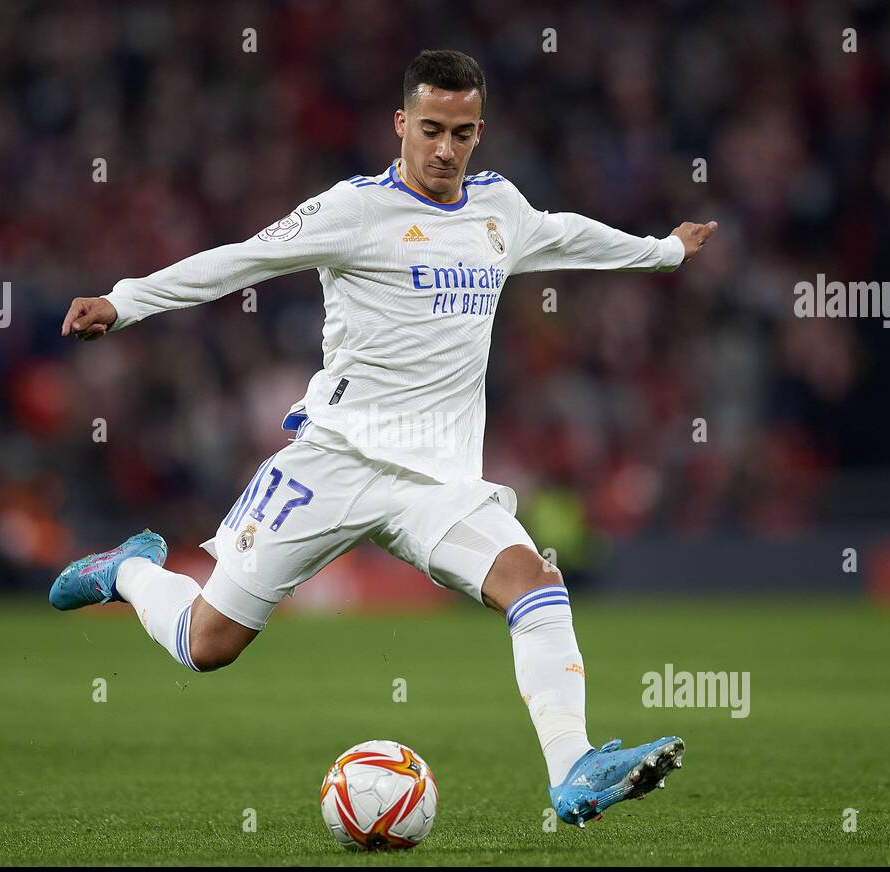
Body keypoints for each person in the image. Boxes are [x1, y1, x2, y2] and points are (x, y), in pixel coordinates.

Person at [49, 49, 717, 828]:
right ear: (401, 123)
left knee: (534, 582)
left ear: (479, 133)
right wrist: (124, 302)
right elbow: (242, 261)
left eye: (461, 134)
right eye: (430, 128)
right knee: (208, 642)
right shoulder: (353, 211)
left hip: (438, 484)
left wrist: (664, 252)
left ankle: (572, 767)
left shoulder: (501, 210)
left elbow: (568, 236)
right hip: (334, 460)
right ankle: (129, 571)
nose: (444, 149)